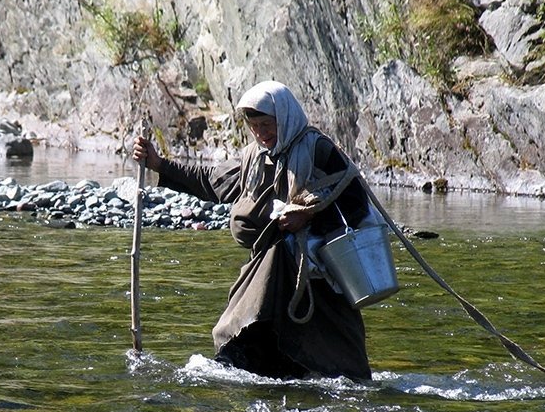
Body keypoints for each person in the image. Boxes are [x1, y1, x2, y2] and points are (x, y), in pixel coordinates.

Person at [132, 80, 379, 381]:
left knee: (339, 361)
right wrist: (159, 164)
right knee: (254, 330)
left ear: (284, 117)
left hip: (317, 273)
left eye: (266, 124)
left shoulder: (319, 150)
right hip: (269, 267)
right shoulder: (255, 157)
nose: (261, 133)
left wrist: (309, 216)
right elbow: (212, 181)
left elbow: (354, 203)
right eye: (254, 127)